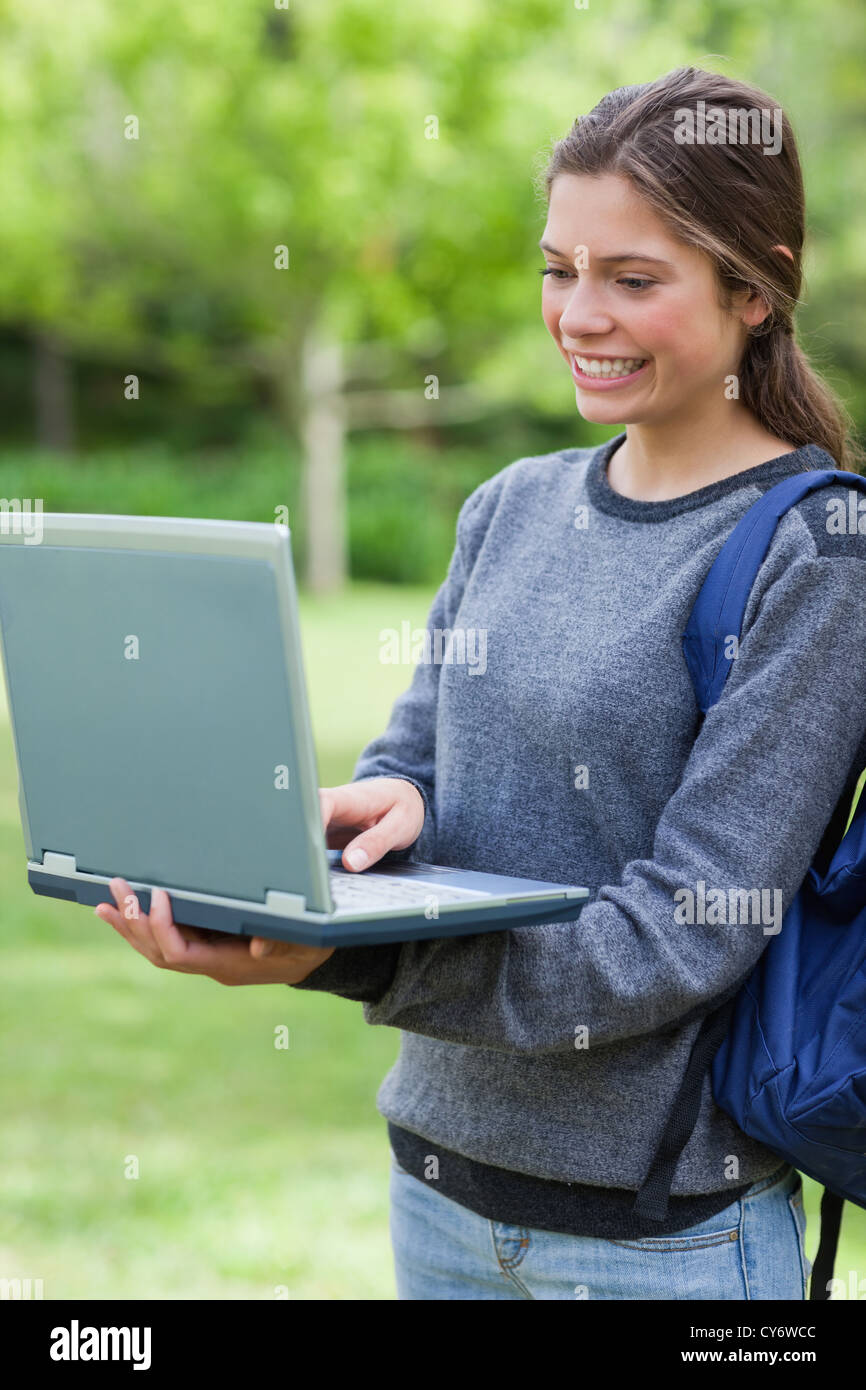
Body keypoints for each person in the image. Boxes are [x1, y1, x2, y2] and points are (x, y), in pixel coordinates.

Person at [95, 66, 866, 1299]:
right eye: (558, 270)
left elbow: (681, 930)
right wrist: (377, 811)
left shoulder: (815, 554)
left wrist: (352, 964)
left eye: (631, 279)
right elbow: (418, 758)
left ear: (755, 287)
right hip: (438, 1192)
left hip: (662, 1242)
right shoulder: (509, 506)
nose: (578, 314)